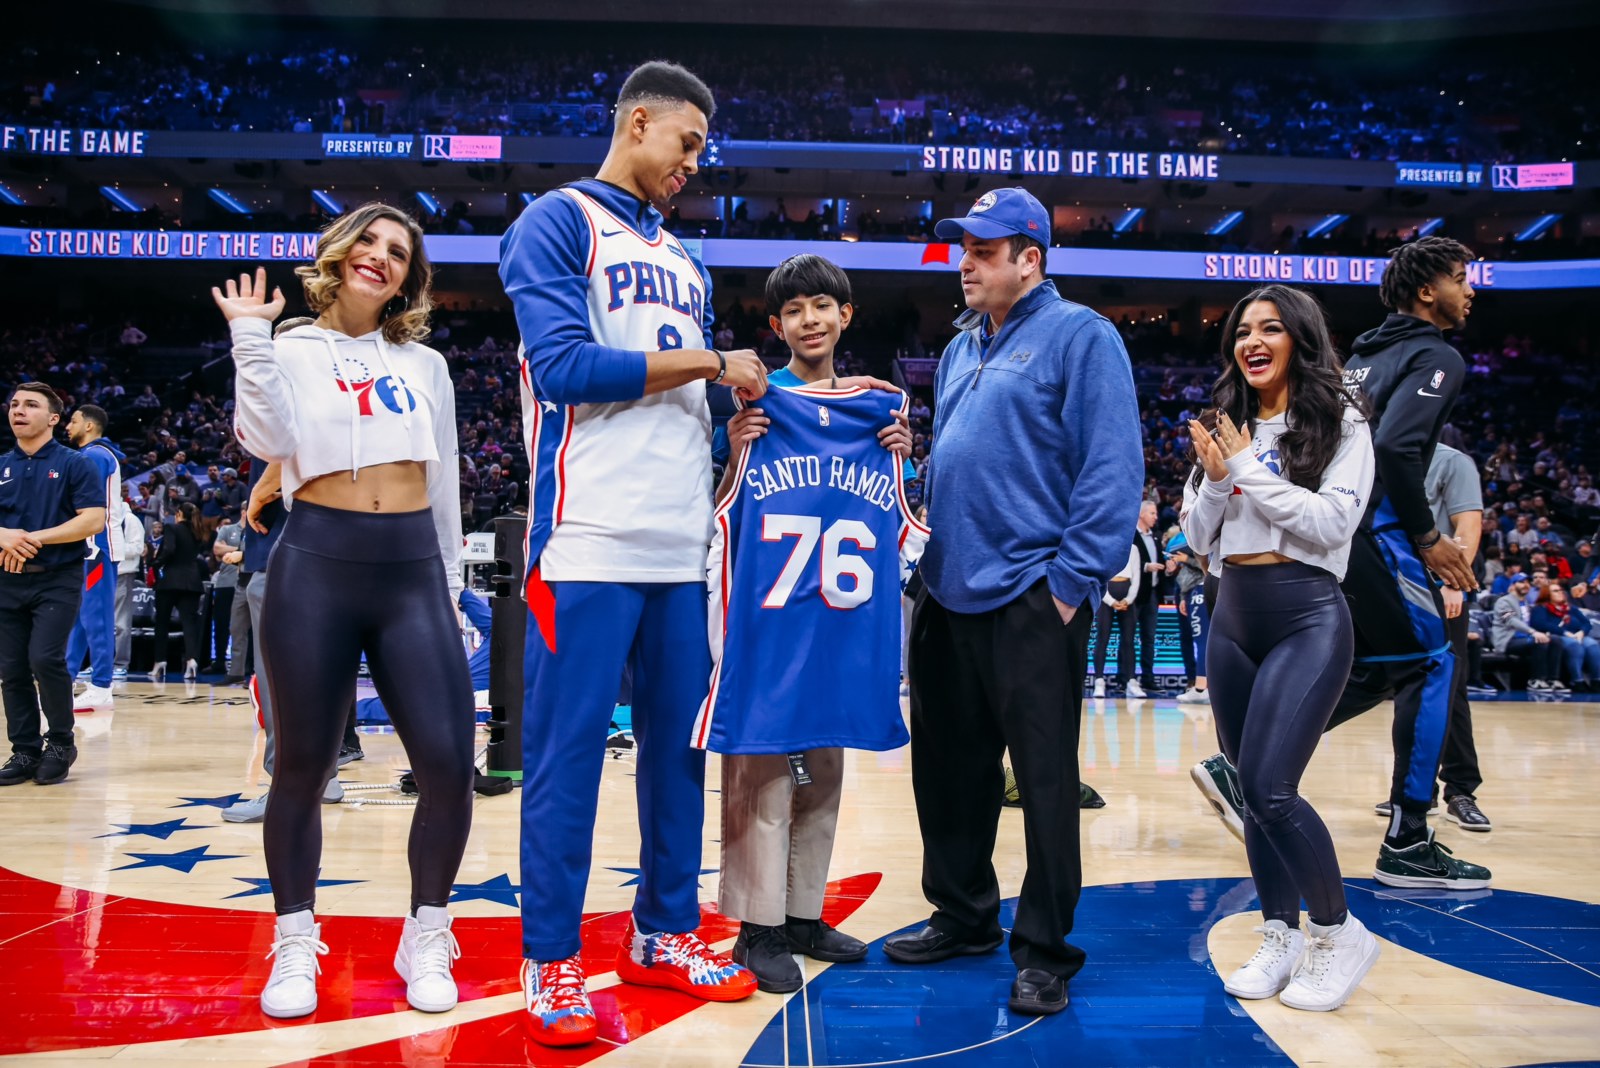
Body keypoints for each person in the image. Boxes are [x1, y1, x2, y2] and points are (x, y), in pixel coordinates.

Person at [498, 60, 767, 1047]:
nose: (694, 162)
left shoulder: (685, 260)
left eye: (703, 150)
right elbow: (565, 368)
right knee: (564, 760)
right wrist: (708, 360)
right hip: (586, 541)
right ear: (638, 121)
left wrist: (724, 424)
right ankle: (551, 958)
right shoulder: (558, 221)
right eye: (686, 142)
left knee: (676, 759)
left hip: (677, 545)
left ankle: (661, 934)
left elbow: (675, 399)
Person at [216, 202, 475, 1019]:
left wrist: (453, 584)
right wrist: (250, 340)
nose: (381, 257)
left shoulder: (426, 365)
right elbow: (265, 438)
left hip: (409, 573)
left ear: (409, 277)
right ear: (339, 252)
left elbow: (445, 487)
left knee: (447, 764)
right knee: (301, 765)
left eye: (398, 251)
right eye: (368, 240)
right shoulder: (289, 347)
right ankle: (295, 941)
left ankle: (426, 931)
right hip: (316, 567)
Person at [890, 187, 1143, 1017]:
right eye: (964, 248)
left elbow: (1111, 471)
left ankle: (1045, 949)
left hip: (1034, 595)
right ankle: (964, 915)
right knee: (949, 775)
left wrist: (1069, 586)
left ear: (1030, 258)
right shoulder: (963, 348)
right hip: (950, 589)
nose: (966, 262)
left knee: (1041, 783)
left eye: (985, 250)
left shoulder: (1083, 337)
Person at [1192, 238, 1492, 892]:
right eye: (1461, 277)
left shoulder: (1360, 356)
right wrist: (1427, 537)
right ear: (1426, 290)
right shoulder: (1434, 354)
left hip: (1309, 544)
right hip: (1363, 528)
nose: (1470, 290)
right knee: (1433, 659)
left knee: (1375, 663)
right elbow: (1394, 446)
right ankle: (1408, 836)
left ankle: (1243, 768)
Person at [696, 254, 915, 993]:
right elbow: (724, 508)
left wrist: (901, 459)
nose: (810, 320)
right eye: (794, 311)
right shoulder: (757, 397)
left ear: (845, 316)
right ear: (777, 325)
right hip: (768, 619)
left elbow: (895, 516)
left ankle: (800, 914)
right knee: (761, 770)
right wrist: (735, 452)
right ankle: (755, 928)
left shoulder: (877, 409)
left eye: (823, 306)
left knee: (823, 770)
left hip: (838, 623)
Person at [1182, 285, 1380, 1012]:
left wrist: (1247, 471)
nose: (1251, 340)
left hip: (1307, 616)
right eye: (1241, 330)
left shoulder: (1342, 421)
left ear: (1300, 337)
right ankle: (1280, 933)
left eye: (1269, 328)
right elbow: (1198, 539)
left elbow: (1331, 525)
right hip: (1232, 615)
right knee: (1250, 792)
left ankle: (1338, 932)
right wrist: (1214, 476)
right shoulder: (1225, 424)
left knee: (1270, 786)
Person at [0, 383, 106, 787]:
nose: (18, 411)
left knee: (45, 659)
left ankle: (60, 743)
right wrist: (3, 537)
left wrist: (30, 539)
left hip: (57, 578)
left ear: (54, 418)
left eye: (30, 405)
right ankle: (24, 750)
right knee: (11, 669)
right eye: (14, 404)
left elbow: (92, 519)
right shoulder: (1, 465)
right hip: (7, 578)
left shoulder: (76, 463)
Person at [1396, 442, 1490, 830]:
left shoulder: (1453, 461)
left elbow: (1468, 525)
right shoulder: (1384, 455)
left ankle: (1461, 789)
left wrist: (1454, 580)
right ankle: (1414, 790)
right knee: (1408, 690)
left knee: (1449, 689)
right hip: (1393, 589)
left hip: (1440, 589)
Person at [63, 404, 123, 710]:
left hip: (97, 547)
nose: (67, 426)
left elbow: (85, 503)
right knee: (79, 619)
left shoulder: (95, 455)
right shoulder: (95, 455)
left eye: (72, 421)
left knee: (96, 618)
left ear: (89, 426)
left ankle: (101, 686)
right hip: (88, 548)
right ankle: (65, 680)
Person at [151, 500, 207, 680]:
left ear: (179, 514)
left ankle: (160, 662)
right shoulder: (198, 531)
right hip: (192, 581)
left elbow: (169, 550)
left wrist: (156, 563)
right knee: (189, 624)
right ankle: (192, 660)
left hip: (170, 581)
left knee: (162, 622)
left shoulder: (171, 528)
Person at [1530, 581, 1600, 690]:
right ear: (1547, 594)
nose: (1560, 593)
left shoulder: (1571, 609)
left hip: (1577, 635)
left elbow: (1586, 623)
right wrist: (1564, 633)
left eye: (1561, 590)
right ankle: (1577, 681)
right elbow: (1540, 624)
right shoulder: (1540, 608)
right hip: (1556, 636)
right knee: (1575, 646)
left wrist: (1582, 632)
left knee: (1592, 645)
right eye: (1555, 591)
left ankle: (1596, 680)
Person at [1126, 500, 1164, 697]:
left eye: (1156, 513)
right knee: (1128, 638)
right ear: (1141, 514)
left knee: (1149, 639)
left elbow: (1161, 562)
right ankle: (1124, 678)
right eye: (1152, 513)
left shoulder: (1156, 537)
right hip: (1133, 594)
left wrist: (1169, 565)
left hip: (1152, 594)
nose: (1155, 517)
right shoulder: (1129, 535)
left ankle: (1148, 678)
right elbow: (1125, 562)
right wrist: (1145, 567)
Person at [1091, 545, 1139, 697]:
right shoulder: (1103, 545)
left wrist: (1129, 599)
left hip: (1127, 592)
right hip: (1106, 592)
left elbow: (1137, 576)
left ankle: (1131, 680)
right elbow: (1098, 576)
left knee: (1128, 640)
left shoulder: (1133, 548)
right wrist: (1110, 601)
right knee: (1102, 638)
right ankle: (1099, 680)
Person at [207, 515, 243, 674]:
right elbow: (216, 550)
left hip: (244, 582)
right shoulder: (227, 529)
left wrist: (228, 549)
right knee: (221, 624)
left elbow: (256, 552)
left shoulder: (257, 530)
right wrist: (241, 551)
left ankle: (244, 665)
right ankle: (219, 661)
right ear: (244, 511)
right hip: (225, 583)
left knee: (242, 627)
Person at [112, 498, 144, 678]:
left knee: (121, 623)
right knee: (100, 623)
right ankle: (100, 663)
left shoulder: (130, 520)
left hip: (123, 574)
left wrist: (112, 548)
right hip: (103, 574)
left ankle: (120, 663)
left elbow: (138, 548)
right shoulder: (105, 518)